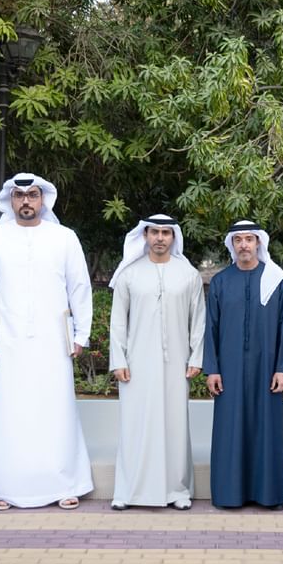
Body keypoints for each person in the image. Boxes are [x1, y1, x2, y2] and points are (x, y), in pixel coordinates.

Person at [0, 173, 94, 510]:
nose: (26, 201)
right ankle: (3, 487)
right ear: (10, 200)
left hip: (54, 343)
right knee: (9, 413)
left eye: (33, 194)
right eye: (20, 195)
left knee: (56, 411)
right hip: (8, 343)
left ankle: (64, 484)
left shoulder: (64, 238)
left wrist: (81, 334)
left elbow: (80, 287)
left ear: (43, 200)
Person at [108, 214, 204, 510]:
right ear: (145, 236)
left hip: (177, 362)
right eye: (154, 232)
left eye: (165, 233)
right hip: (136, 364)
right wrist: (118, 360)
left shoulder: (188, 274)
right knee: (134, 425)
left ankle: (177, 491)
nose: (160, 238)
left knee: (175, 426)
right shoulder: (129, 274)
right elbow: (118, 322)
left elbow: (198, 320)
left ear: (173, 237)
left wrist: (196, 357)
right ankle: (128, 492)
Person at [204, 220, 283, 509]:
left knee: (266, 429)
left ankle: (269, 495)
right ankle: (229, 495)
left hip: (267, 369)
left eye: (249, 239)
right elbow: (211, 328)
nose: (244, 245)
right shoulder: (220, 282)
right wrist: (212, 369)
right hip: (229, 369)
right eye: (238, 240)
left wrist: (282, 368)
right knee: (230, 429)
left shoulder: (275, 280)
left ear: (258, 243)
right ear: (232, 244)